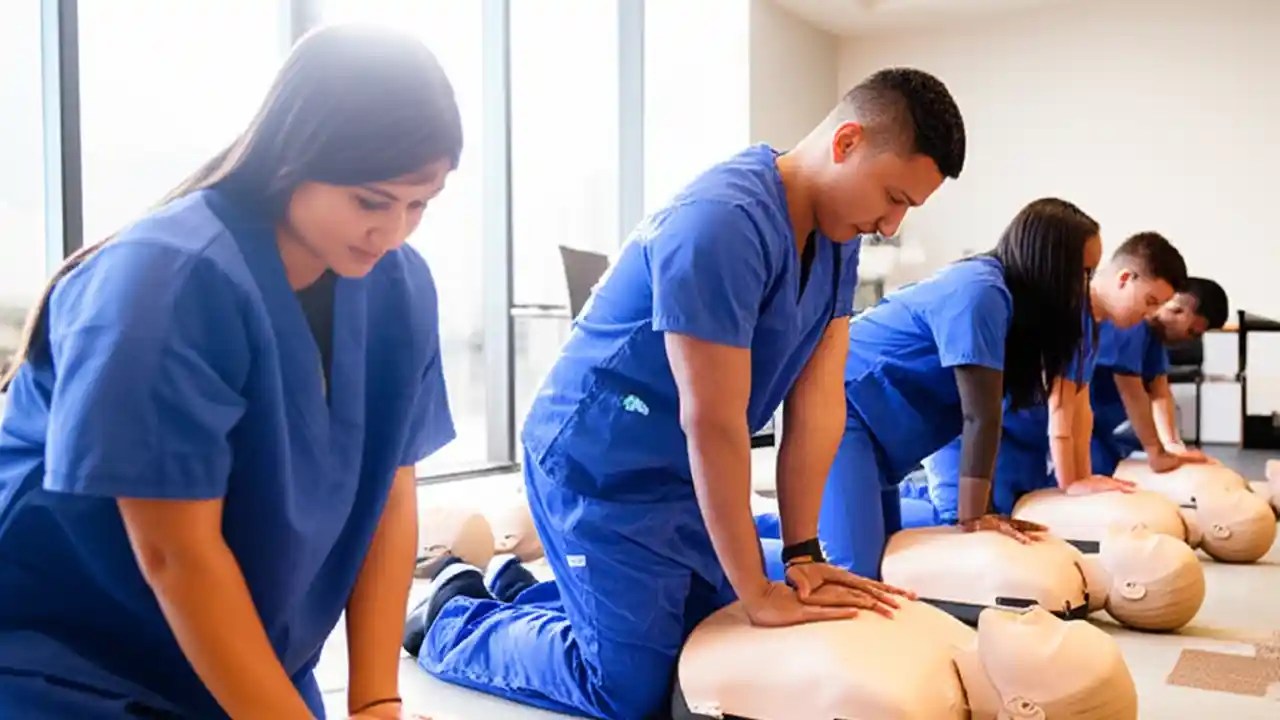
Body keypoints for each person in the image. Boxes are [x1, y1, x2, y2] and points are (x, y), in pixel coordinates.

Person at [406, 68, 967, 720]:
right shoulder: (722, 223)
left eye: (907, 209)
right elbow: (715, 423)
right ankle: (451, 617)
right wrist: (757, 589)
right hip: (597, 468)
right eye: (893, 197)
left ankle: (510, 584)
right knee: (633, 690)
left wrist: (802, 552)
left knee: (703, 644)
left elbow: (817, 405)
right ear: (846, 143)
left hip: (679, 475)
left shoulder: (838, 235)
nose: (892, 225)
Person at [0, 25, 460, 719]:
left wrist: (375, 703)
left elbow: (389, 499)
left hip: (236, 653)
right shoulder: (166, 280)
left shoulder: (398, 288)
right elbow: (175, 556)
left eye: (418, 205)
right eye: (371, 201)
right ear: (296, 158)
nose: (393, 231)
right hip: (62, 658)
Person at [756, 198, 1104, 580]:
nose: (1085, 287)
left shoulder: (1016, 310)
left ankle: (752, 530)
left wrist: (985, 513)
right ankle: (723, 558)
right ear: (1049, 263)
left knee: (889, 559)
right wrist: (976, 517)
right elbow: (980, 415)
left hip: (879, 431)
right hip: (841, 406)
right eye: (1081, 272)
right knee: (854, 571)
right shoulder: (981, 292)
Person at [925, 232, 1190, 517]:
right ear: (1125, 279)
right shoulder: (1069, 313)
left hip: (1021, 440)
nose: (1152, 314)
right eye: (1150, 301)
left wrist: (1083, 477)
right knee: (959, 523)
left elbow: (1080, 407)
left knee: (1018, 514)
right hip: (973, 434)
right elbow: (1061, 407)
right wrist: (1072, 482)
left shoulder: (1093, 324)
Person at [1089, 277, 1229, 475]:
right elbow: (1132, 393)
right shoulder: (1132, 325)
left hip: (1101, 429)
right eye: (1192, 332)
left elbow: (1160, 392)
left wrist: (1172, 444)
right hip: (1073, 426)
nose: (1188, 340)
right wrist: (1156, 453)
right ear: (1176, 309)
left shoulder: (1154, 338)